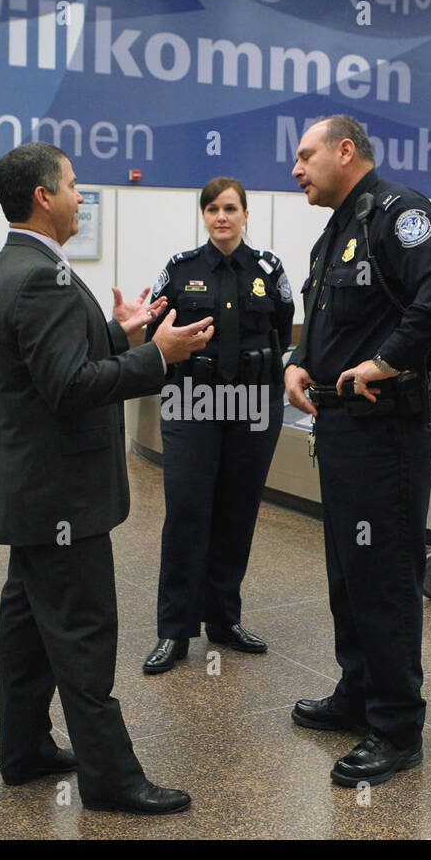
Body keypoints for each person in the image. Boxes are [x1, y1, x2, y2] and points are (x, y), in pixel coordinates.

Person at [0, 142, 213, 814]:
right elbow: (68, 385)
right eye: (75, 186)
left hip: (33, 489)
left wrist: (116, 330)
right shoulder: (37, 277)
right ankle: (111, 781)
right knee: (84, 634)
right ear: (42, 198)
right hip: (61, 496)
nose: (82, 197)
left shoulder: (18, 264)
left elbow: (49, 361)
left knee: (26, 627)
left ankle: (23, 750)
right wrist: (154, 355)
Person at [285, 115, 431, 786]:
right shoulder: (338, 230)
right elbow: (329, 318)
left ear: (345, 151)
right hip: (339, 432)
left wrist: (389, 361)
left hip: (386, 433)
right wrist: (296, 361)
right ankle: (357, 692)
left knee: (384, 577)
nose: (296, 169)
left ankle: (396, 727)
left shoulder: (400, 213)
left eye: (305, 156)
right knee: (347, 570)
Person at [141, 177, 294, 674]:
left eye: (230, 208)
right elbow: (154, 330)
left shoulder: (268, 270)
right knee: (187, 511)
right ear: (204, 216)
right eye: (212, 209)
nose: (221, 217)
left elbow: (284, 326)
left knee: (237, 511)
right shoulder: (181, 269)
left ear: (246, 214)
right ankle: (175, 631)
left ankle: (224, 620)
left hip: (252, 402)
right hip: (193, 399)